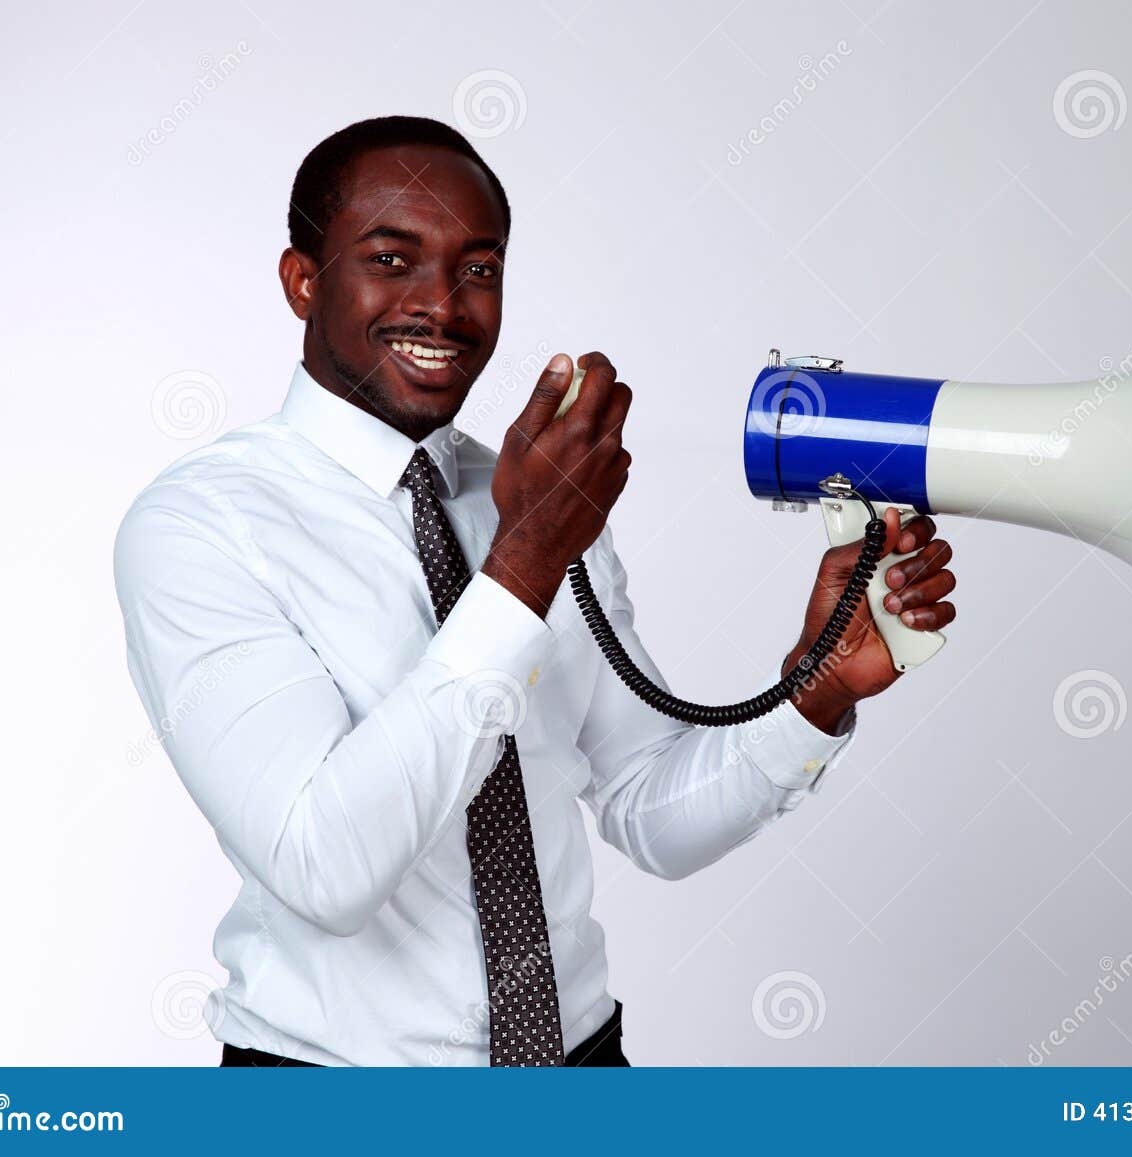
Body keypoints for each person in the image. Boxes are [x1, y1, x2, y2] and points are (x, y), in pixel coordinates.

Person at [112, 115, 957, 1067]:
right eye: (392, 259)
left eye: (479, 269)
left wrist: (816, 691)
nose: (442, 305)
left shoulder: (532, 492)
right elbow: (324, 866)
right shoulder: (202, 525)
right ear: (303, 280)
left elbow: (649, 810)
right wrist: (524, 561)